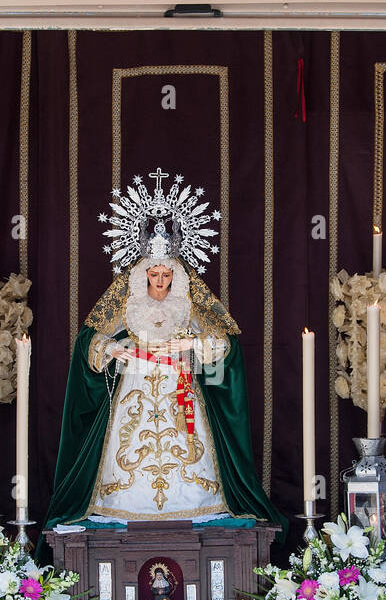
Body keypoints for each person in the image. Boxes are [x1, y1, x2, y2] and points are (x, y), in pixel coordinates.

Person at [44, 170, 284, 536]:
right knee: (129, 446)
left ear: (175, 273)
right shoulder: (127, 303)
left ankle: (195, 501)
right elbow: (89, 340)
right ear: (143, 273)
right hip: (135, 384)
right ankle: (122, 500)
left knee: (186, 449)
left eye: (166, 275)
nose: (159, 281)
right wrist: (110, 348)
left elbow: (225, 343)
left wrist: (192, 344)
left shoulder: (189, 303)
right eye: (153, 274)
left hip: (181, 384)